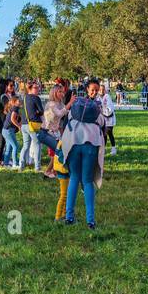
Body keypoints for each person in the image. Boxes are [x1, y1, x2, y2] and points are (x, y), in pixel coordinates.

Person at [61, 78, 106, 229]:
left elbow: (67, 118)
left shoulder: (76, 105)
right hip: (90, 145)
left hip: (73, 143)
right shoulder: (97, 107)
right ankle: (90, 220)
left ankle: (69, 216)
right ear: (88, 89)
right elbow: (102, 123)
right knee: (87, 181)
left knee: (74, 178)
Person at [19, 79, 44, 172]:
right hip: (32, 125)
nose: (38, 89)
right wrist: (37, 112)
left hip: (24, 124)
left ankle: (21, 166)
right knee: (37, 144)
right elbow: (41, 111)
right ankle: (37, 167)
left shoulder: (24, 98)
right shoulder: (35, 98)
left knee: (25, 146)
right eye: (36, 88)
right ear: (30, 88)